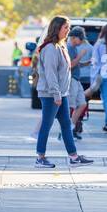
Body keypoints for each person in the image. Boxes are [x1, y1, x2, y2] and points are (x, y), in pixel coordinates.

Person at [33, 17, 93, 168]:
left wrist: (61, 93)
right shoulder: (50, 48)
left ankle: (73, 156)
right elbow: (50, 73)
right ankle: (40, 157)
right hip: (51, 94)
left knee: (66, 124)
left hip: (61, 93)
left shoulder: (61, 46)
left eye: (68, 27)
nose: (68, 31)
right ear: (57, 28)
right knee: (46, 125)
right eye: (65, 27)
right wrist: (56, 94)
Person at [68, 26, 93, 137]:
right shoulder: (69, 48)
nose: (82, 41)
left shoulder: (74, 48)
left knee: (82, 104)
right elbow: (71, 65)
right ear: (73, 37)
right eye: (80, 38)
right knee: (71, 105)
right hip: (72, 79)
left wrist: (86, 63)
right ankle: (66, 130)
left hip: (77, 79)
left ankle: (71, 127)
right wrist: (81, 55)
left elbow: (76, 64)